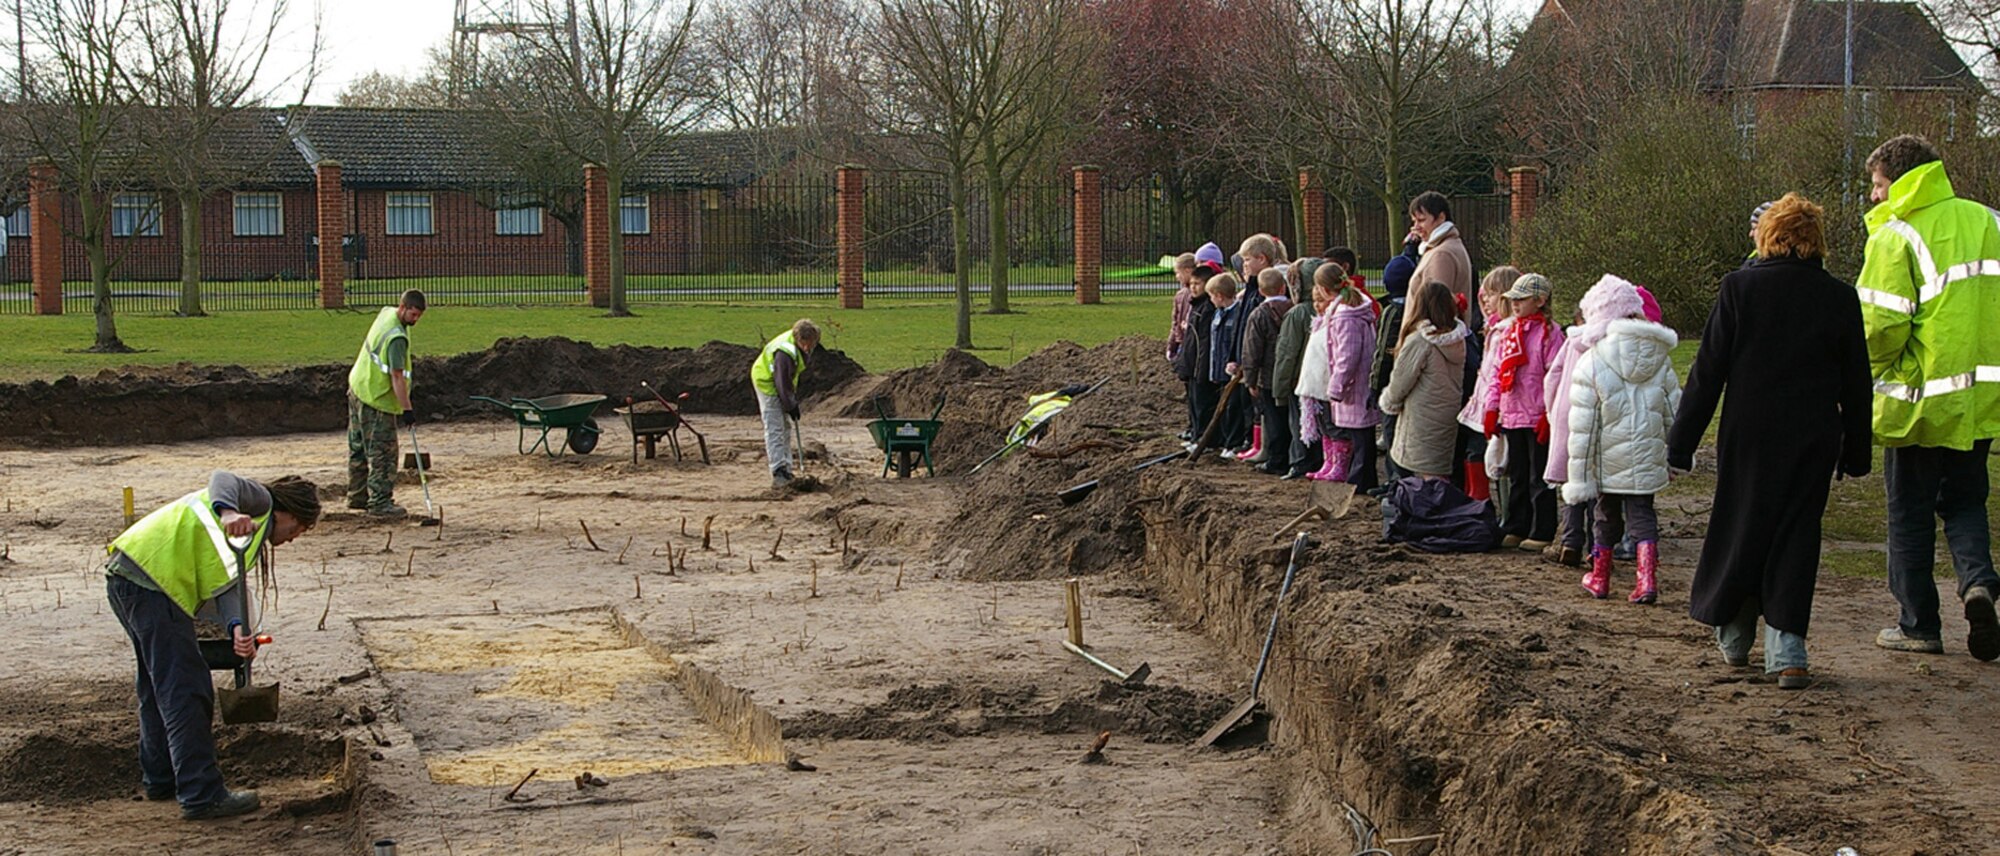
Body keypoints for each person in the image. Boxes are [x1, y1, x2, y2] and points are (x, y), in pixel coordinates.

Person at [1669, 193, 1872, 688]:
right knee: (1797, 533)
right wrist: (1857, 450)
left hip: (1750, 433)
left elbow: (1708, 371)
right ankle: (1788, 648)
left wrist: (1682, 442)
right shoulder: (1839, 297)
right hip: (1814, 434)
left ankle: (1735, 636)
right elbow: (1857, 381)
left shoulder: (1739, 289)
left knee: (1743, 523)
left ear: (1768, 236)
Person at [1855, 134, 2000, 661]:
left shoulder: (1896, 235)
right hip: (1979, 399)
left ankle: (1918, 624)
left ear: (1899, 180)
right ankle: (1979, 583)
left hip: (1917, 399)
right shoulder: (1989, 221)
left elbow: (1880, 327)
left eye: (1876, 185)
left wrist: (1861, 374)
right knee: (1966, 501)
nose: (1872, 197)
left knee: (1909, 514)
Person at [106, 471, 322, 819]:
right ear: (292, 515)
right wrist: (228, 513)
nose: (294, 538)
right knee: (186, 689)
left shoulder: (249, 539)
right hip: (152, 583)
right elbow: (222, 478)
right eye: (299, 530)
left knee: (156, 684)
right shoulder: (260, 502)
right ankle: (201, 794)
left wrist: (238, 628)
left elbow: (226, 584)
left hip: (132, 577)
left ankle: (161, 777)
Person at [1562, 275, 1681, 604]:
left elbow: (1584, 425)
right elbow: (1674, 410)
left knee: (1605, 514)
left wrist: (1579, 475)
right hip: (1646, 456)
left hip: (1607, 459)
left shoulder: (1592, 361)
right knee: (1643, 514)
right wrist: (1677, 453)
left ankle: (1600, 577)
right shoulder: (1660, 359)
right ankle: (1647, 579)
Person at [1483, 274, 1565, 550]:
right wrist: (1491, 408)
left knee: (1538, 476)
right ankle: (1516, 524)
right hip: (1512, 412)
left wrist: (1548, 412)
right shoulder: (1509, 332)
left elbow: (1555, 374)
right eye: (1513, 300)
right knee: (1517, 473)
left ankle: (1542, 529)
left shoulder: (1550, 334)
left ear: (1539, 301)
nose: (1515, 305)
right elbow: (1497, 372)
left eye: (1521, 300)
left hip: (1536, 413)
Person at [1379, 281, 1469, 480]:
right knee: (1437, 471)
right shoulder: (1457, 339)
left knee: (1419, 471)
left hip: (1421, 415)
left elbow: (1401, 380)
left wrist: (1389, 402)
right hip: (1447, 411)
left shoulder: (1420, 341)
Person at [346, 289, 424, 517]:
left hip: (357, 387)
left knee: (358, 448)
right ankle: (380, 503)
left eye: (419, 315)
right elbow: (397, 377)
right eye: (413, 314)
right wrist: (407, 410)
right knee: (383, 453)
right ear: (403, 308)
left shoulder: (386, 314)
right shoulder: (397, 338)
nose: (415, 320)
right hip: (376, 399)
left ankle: (357, 497)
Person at [1459, 266, 1521, 503]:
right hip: (1484, 402)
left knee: (1492, 456)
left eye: (1491, 294)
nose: (1485, 300)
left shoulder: (1507, 332)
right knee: (1476, 451)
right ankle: (1476, 499)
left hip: (1495, 406)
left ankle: (1482, 501)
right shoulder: (1493, 329)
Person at [1321, 264, 1381, 487]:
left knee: (1361, 437)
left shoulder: (1346, 316)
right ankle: (1364, 478)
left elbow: (1348, 355)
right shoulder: (1352, 310)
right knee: (1361, 435)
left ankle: (1360, 480)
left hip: (1355, 385)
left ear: (1325, 290)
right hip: (1358, 383)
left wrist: (1337, 386)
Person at [1372, 238, 1420, 491]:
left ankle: (1395, 481)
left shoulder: (1392, 313)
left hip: (1391, 382)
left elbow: (1383, 352)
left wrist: (1374, 384)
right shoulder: (1414, 309)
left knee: (1392, 433)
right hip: (1407, 382)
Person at [752, 319, 822, 488]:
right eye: (804, 344)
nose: (807, 348)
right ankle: (778, 472)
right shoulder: (784, 353)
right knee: (775, 427)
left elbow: (787, 381)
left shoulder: (797, 345)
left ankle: (787, 468)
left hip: (780, 383)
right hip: (767, 383)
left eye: (810, 345)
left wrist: (790, 401)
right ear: (797, 338)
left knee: (786, 427)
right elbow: (781, 382)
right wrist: (790, 404)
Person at [1273, 258, 1324, 479]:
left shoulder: (1297, 313)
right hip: (1322, 379)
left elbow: (1286, 354)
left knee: (1301, 423)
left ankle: (1301, 462)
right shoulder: (1327, 308)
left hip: (1300, 380)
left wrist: (1280, 389)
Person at [1241, 267, 1294, 473]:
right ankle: (1291, 456)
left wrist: (1250, 379)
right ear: (1283, 287)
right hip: (1289, 375)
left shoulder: (1258, 315)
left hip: (1267, 376)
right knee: (1289, 417)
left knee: (1273, 420)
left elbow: (1252, 350)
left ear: (1261, 291)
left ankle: (1276, 460)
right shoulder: (1292, 309)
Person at [1407, 192, 1475, 326]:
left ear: (1441, 218)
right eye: (1414, 221)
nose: (1416, 227)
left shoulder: (1441, 254)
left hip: (1430, 343)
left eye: (1421, 220)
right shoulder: (1443, 248)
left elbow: (1435, 312)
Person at [1205, 272, 1249, 452]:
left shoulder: (1237, 315)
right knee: (1222, 406)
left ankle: (1233, 443)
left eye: (1211, 296)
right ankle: (1224, 440)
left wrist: (1235, 363)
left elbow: (1236, 342)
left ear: (1219, 296)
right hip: (1219, 369)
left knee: (1233, 408)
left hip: (1232, 371)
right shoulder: (1218, 314)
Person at [1167, 252, 1202, 441]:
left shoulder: (1192, 295)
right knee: (1188, 391)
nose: (1177, 277)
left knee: (1194, 391)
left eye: (1178, 273)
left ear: (1188, 271)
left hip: (1190, 347)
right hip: (1182, 346)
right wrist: (1171, 344)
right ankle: (1191, 425)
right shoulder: (1180, 295)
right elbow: (1175, 322)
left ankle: (1195, 427)